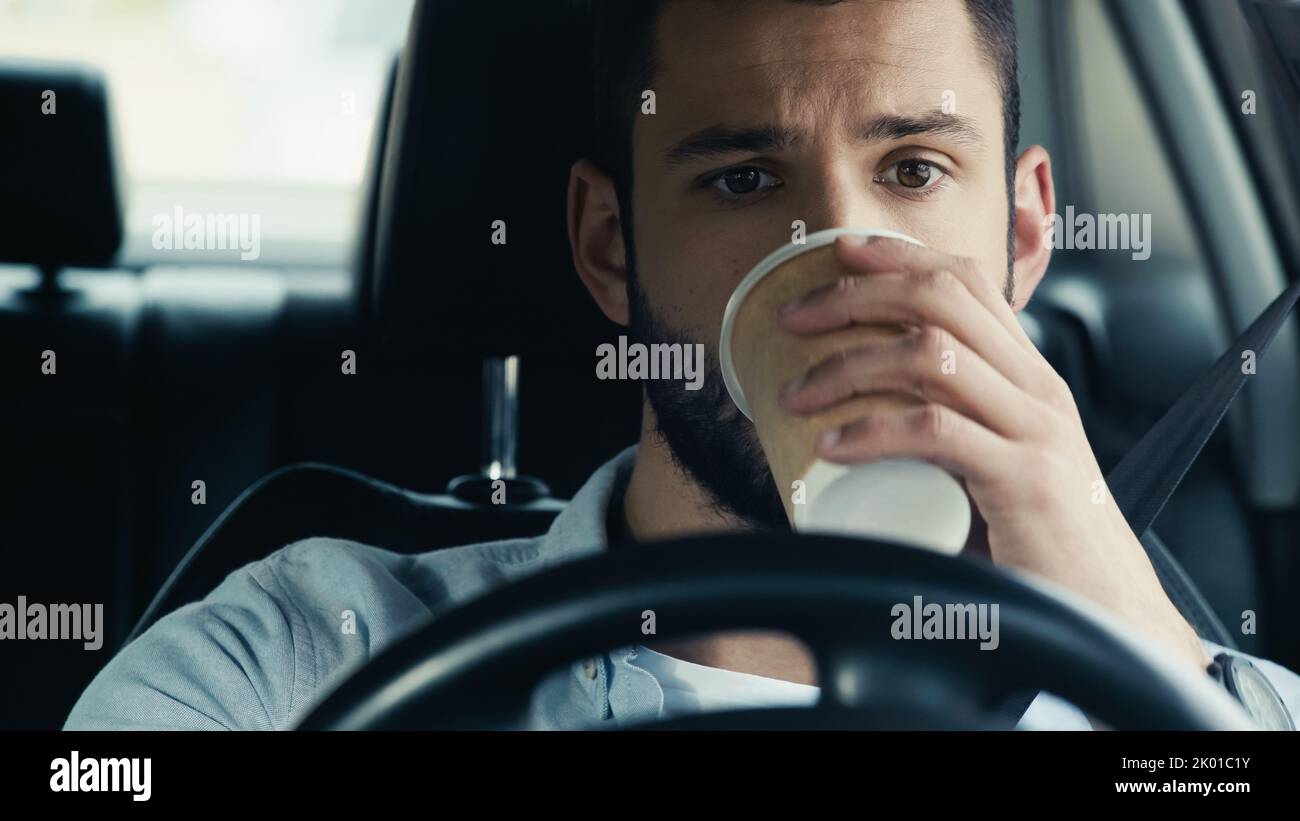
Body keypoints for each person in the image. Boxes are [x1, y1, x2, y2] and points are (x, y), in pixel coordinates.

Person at [65, 0, 1300, 730]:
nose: (830, 260)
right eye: (743, 179)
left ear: (1027, 233)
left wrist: (1136, 642)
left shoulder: (1202, 701)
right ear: (611, 251)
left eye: (913, 168)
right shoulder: (302, 654)